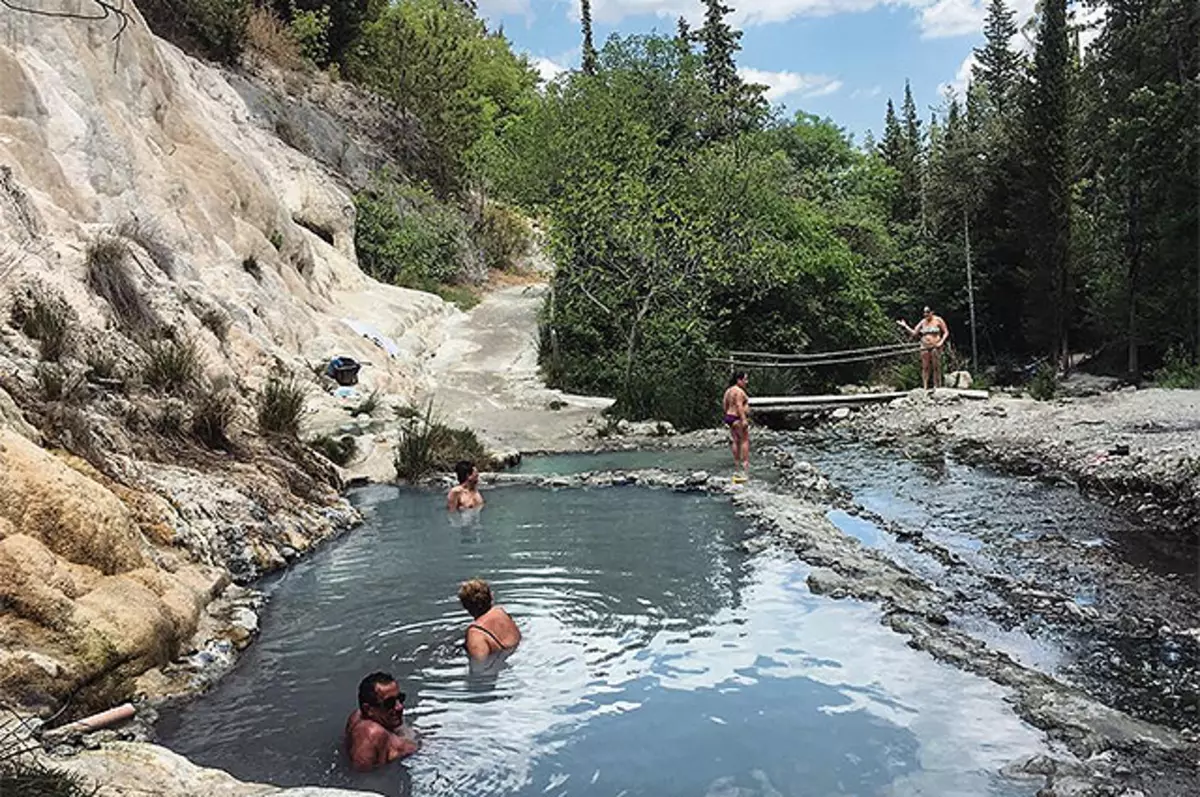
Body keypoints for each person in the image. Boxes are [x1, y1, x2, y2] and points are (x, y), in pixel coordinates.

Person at [345, 672, 419, 772]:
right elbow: (363, 779)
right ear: (368, 709)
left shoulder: (357, 715)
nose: (399, 707)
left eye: (400, 698)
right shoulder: (371, 734)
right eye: (389, 703)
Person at [458, 578, 521, 660]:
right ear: (491, 597)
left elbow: (480, 667)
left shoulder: (476, 633)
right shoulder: (501, 613)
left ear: (465, 606)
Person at [897, 307, 949, 390]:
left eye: (928, 312)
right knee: (925, 367)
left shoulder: (938, 320)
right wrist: (905, 326)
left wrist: (941, 342)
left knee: (936, 366)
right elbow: (914, 333)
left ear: (932, 312)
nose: (926, 314)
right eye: (924, 312)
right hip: (924, 345)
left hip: (935, 345)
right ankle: (925, 386)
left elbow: (946, 332)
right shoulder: (923, 322)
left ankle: (937, 385)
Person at [722, 371, 750, 481]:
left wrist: (728, 416)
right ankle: (745, 464)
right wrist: (743, 419)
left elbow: (724, 404)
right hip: (737, 417)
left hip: (729, 417)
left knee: (735, 440)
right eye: (745, 379)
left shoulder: (728, 390)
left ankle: (737, 464)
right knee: (744, 440)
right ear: (739, 380)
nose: (747, 382)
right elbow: (739, 405)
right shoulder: (738, 391)